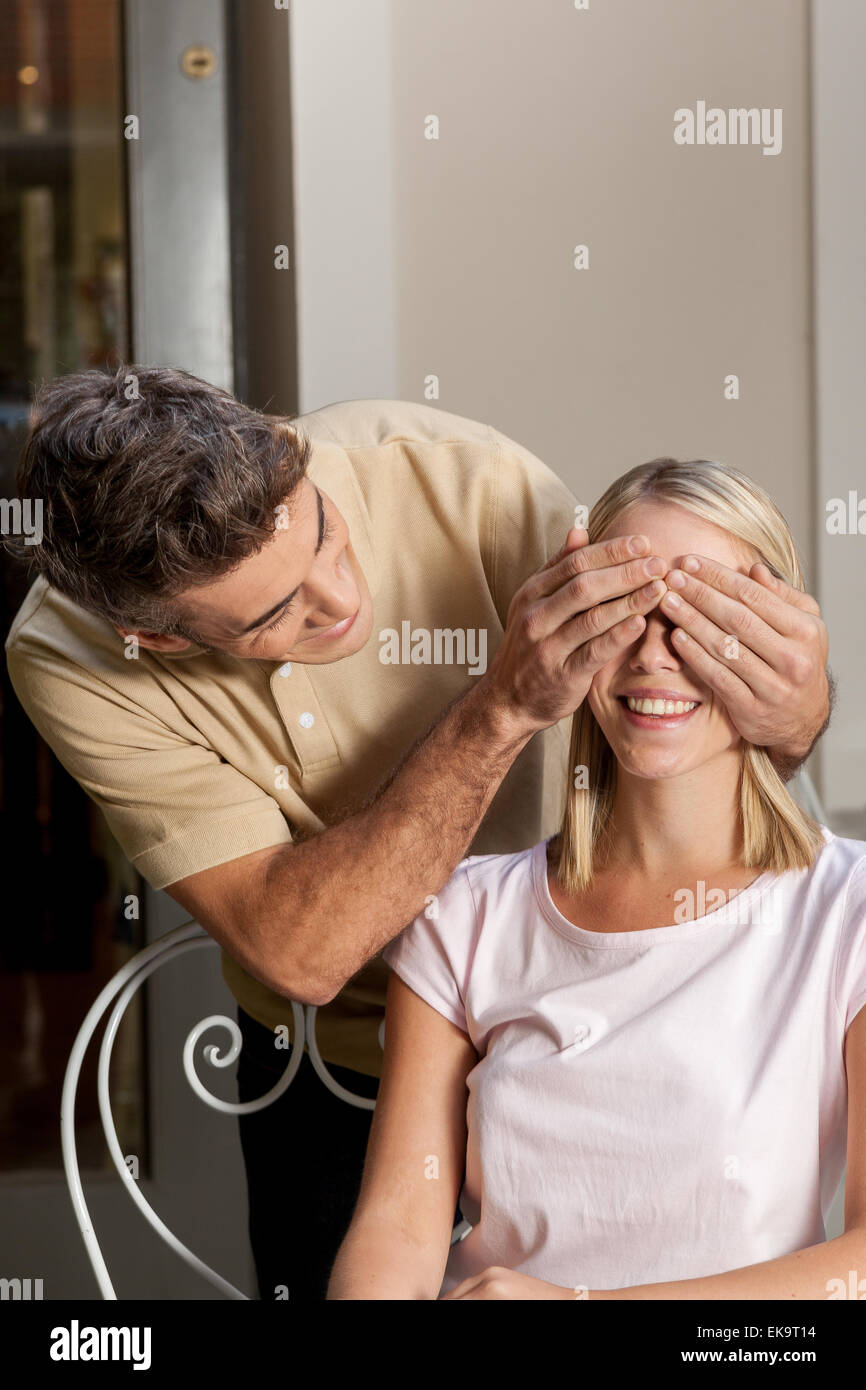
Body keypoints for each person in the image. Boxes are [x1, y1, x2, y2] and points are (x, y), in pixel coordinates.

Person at [3, 367, 830, 1300]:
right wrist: (499, 707)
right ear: (156, 640)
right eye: (278, 613)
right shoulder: (67, 660)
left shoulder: (467, 483)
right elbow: (306, 950)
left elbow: (657, 709)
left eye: (321, 528)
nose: (340, 594)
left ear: (285, 449)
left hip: (593, 1009)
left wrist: (796, 710)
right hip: (334, 1058)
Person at [327, 457, 863, 1301]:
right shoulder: (465, 913)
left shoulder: (845, 911)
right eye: (625, 612)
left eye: (701, 617)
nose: (655, 655)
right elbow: (396, 1227)